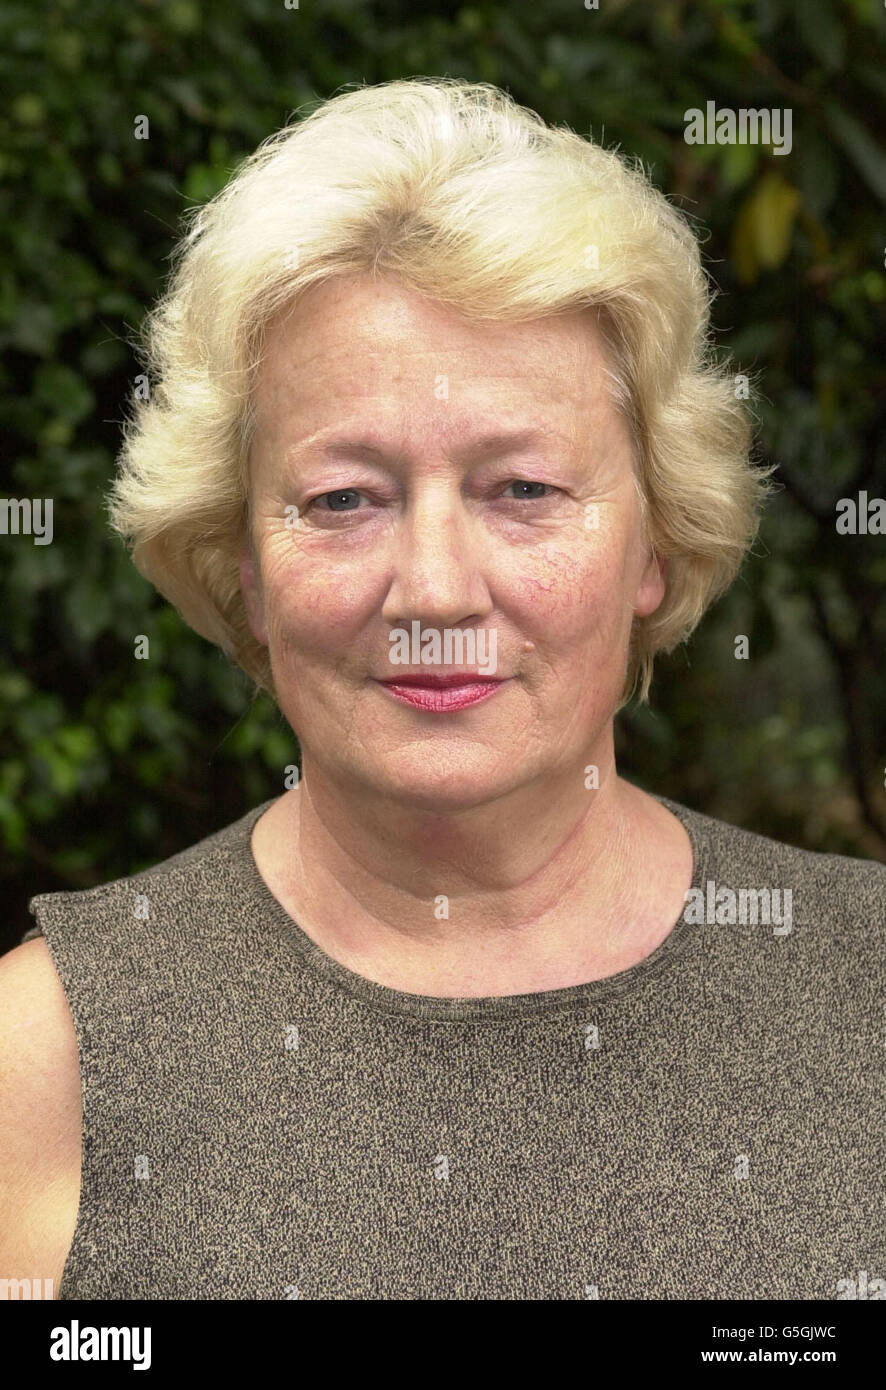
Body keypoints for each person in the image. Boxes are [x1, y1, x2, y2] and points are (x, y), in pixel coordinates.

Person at [1, 77, 882, 1302]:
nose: (432, 589)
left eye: (522, 489)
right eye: (343, 498)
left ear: (658, 544)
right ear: (241, 569)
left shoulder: (867, 991)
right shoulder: (37, 1063)